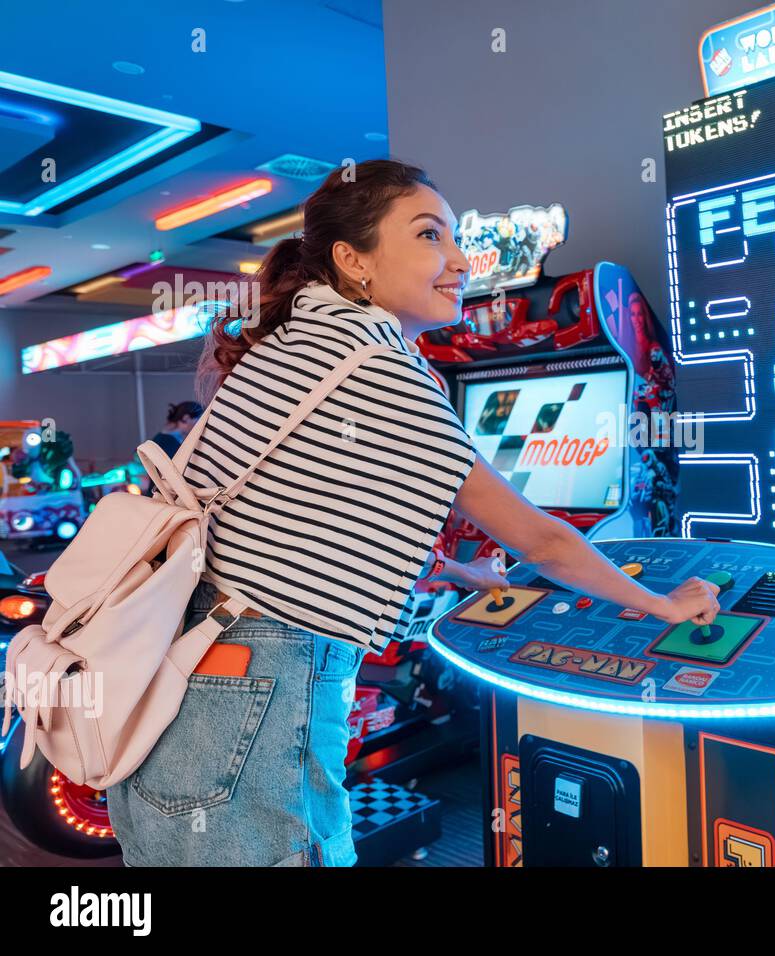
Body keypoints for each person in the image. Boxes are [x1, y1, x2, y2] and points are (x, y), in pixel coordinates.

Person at [104, 159, 719, 867]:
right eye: (431, 236)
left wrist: (460, 571)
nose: (459, 260)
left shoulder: (299, 339)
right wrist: (662, 605)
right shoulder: (374, 360)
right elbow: (543, 539)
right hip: (251, 711)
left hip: (190, 698)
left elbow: (315, 521)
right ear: (352, 259)